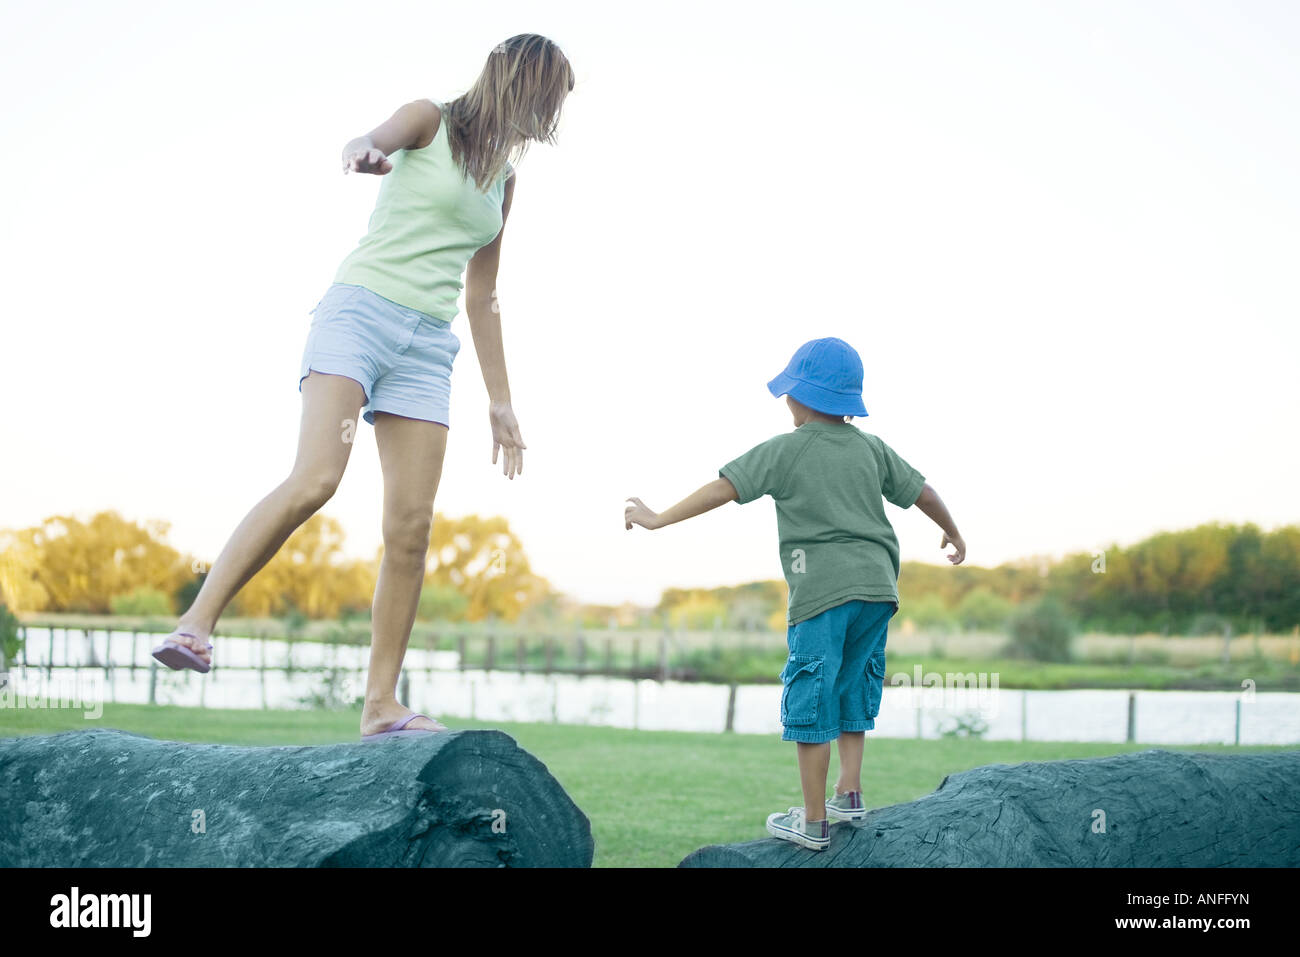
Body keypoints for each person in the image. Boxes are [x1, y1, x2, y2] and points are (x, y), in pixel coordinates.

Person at [151, 34, 575, 742]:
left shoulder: (505, 181)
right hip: (360, 313)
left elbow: (483, 295)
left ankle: (380, 704)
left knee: (411, 530)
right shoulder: (428, 119)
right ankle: (196, 624)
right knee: (316, 477)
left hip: (426, 349)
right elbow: (366, 137)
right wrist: (360, 152)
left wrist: (500, 400)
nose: (552, 112)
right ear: (519, 81)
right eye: (548, 94)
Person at [624, 337, 966, 849]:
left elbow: (724, 488)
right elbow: (923, 492)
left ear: (804, 398)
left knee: (811, 693)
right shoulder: (872, 448)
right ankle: (848, 792)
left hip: (823, 593)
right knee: (853, 683)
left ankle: (811, 822)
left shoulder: (786, 450)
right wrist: (954, 532)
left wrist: (658, 518)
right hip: (878, 588)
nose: (786, 401)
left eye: (790, 393)